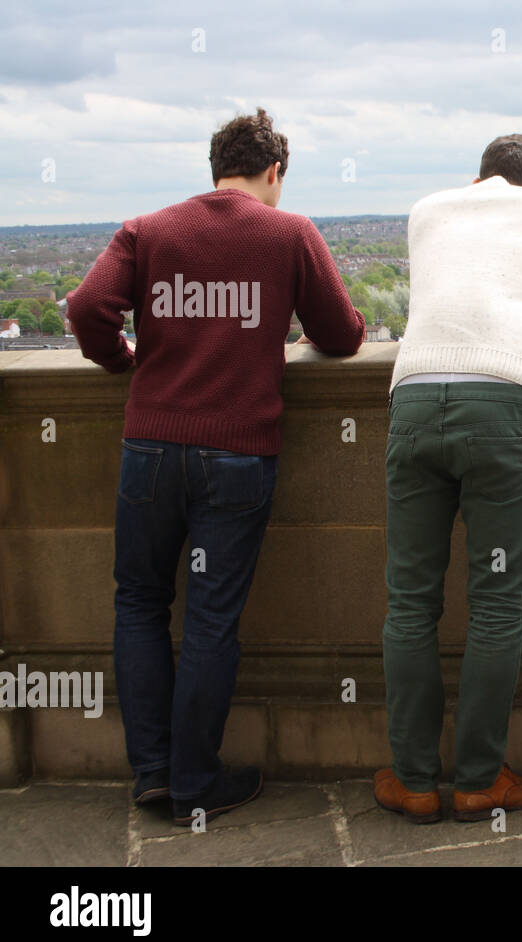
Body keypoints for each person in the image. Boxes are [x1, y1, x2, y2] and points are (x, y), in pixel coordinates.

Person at [68, 108, 365, 826]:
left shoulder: (148, 229)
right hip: (237, 454)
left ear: (213, 168)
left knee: (138, 604)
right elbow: (345, 335)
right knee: (209, 621)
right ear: (274, 173)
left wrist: (123, 362)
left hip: (149, 447)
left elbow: (86, 310)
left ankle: (152, 774)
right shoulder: (290, 233)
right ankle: (196, 780)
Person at [373, 134, 522, 824]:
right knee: (496, 602)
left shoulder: (427, 209)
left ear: (477, 178)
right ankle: (479, 780)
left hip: (413, 399)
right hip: (501, 404)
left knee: (409, 602)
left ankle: (414, 781)